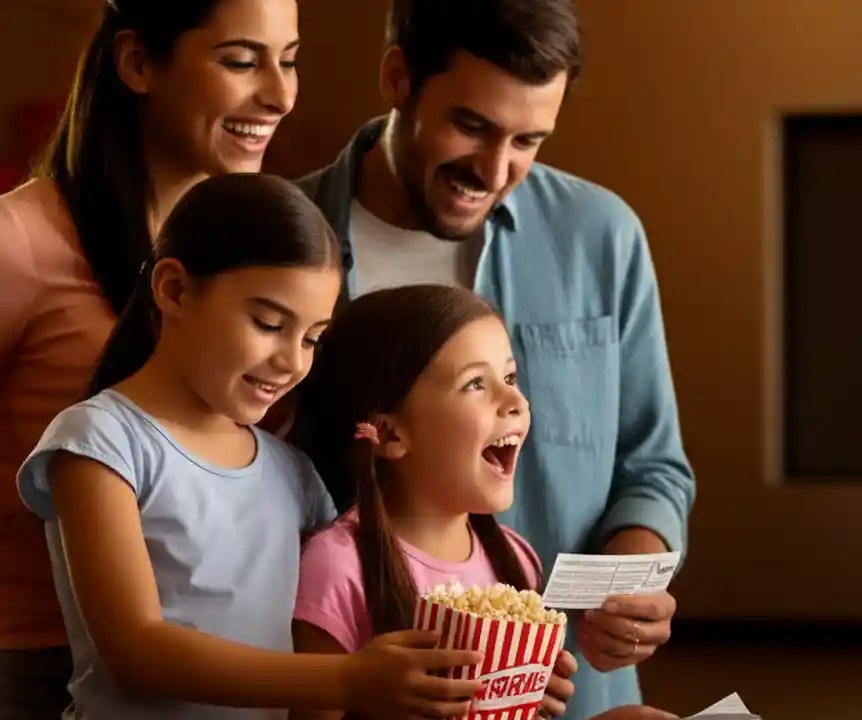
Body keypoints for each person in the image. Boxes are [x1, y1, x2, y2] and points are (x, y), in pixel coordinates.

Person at [297, 2, 695, 717]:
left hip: (575, 698)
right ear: (397, 78)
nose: (494, 168)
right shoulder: (284, 245)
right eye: (471, 126)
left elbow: (653, 464)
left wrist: (630, 580)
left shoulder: (601, 236)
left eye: (529, 140)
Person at [16, 174, 484, 719]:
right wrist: (346, 678)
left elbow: (351, 613)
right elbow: (137, 649)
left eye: (311, 338)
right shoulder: (101, 444)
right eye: (268, 323)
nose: (292, 361)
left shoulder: (294, 475)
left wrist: (494, 676)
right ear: (174, 289)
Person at [0, 1, 299, 714]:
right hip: (43, 667)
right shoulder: (21, 240)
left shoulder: (264, 248)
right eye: (241, 60)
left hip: (227, 669)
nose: (280, 95)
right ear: (137, 62)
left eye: (289, 60)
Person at [290, 283, 577, 719]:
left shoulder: (517, 560)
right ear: (389, 433)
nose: (516, 401)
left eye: (511, 377)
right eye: (476, 384)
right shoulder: (337, 569)